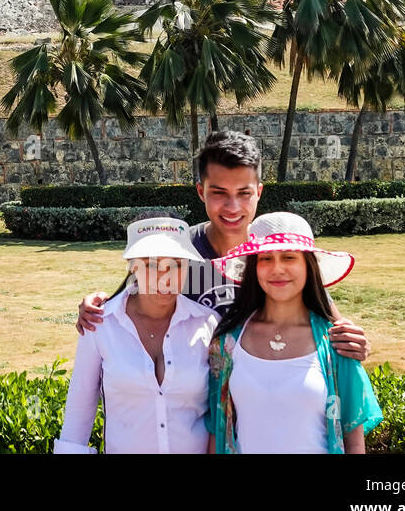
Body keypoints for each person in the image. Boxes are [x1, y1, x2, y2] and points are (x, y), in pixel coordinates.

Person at [74, 131, 370, 362]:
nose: (232, 207)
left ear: (259, 193)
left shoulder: (274, 253)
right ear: (201, 191)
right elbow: (129, 300)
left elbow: (325, 313)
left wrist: (350, 338)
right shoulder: (178, 250)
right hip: (196, 416)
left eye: (244, 193)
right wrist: (96, 304)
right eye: (219, 193)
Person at [207, 212, 383, 454]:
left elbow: (353, 441)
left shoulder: (336, 343)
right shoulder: (227, 342)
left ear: (308, 266)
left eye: (289, 257)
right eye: (265, 258)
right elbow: (217, 429)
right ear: (253, 267)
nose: (277, 269)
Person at [55, 218, 219, 454]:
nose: (166, 276)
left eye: (177, 264)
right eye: (152, 265)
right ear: (133, 267)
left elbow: (222, 410)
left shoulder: (208, 324)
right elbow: (80, 407)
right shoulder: (100, 324)